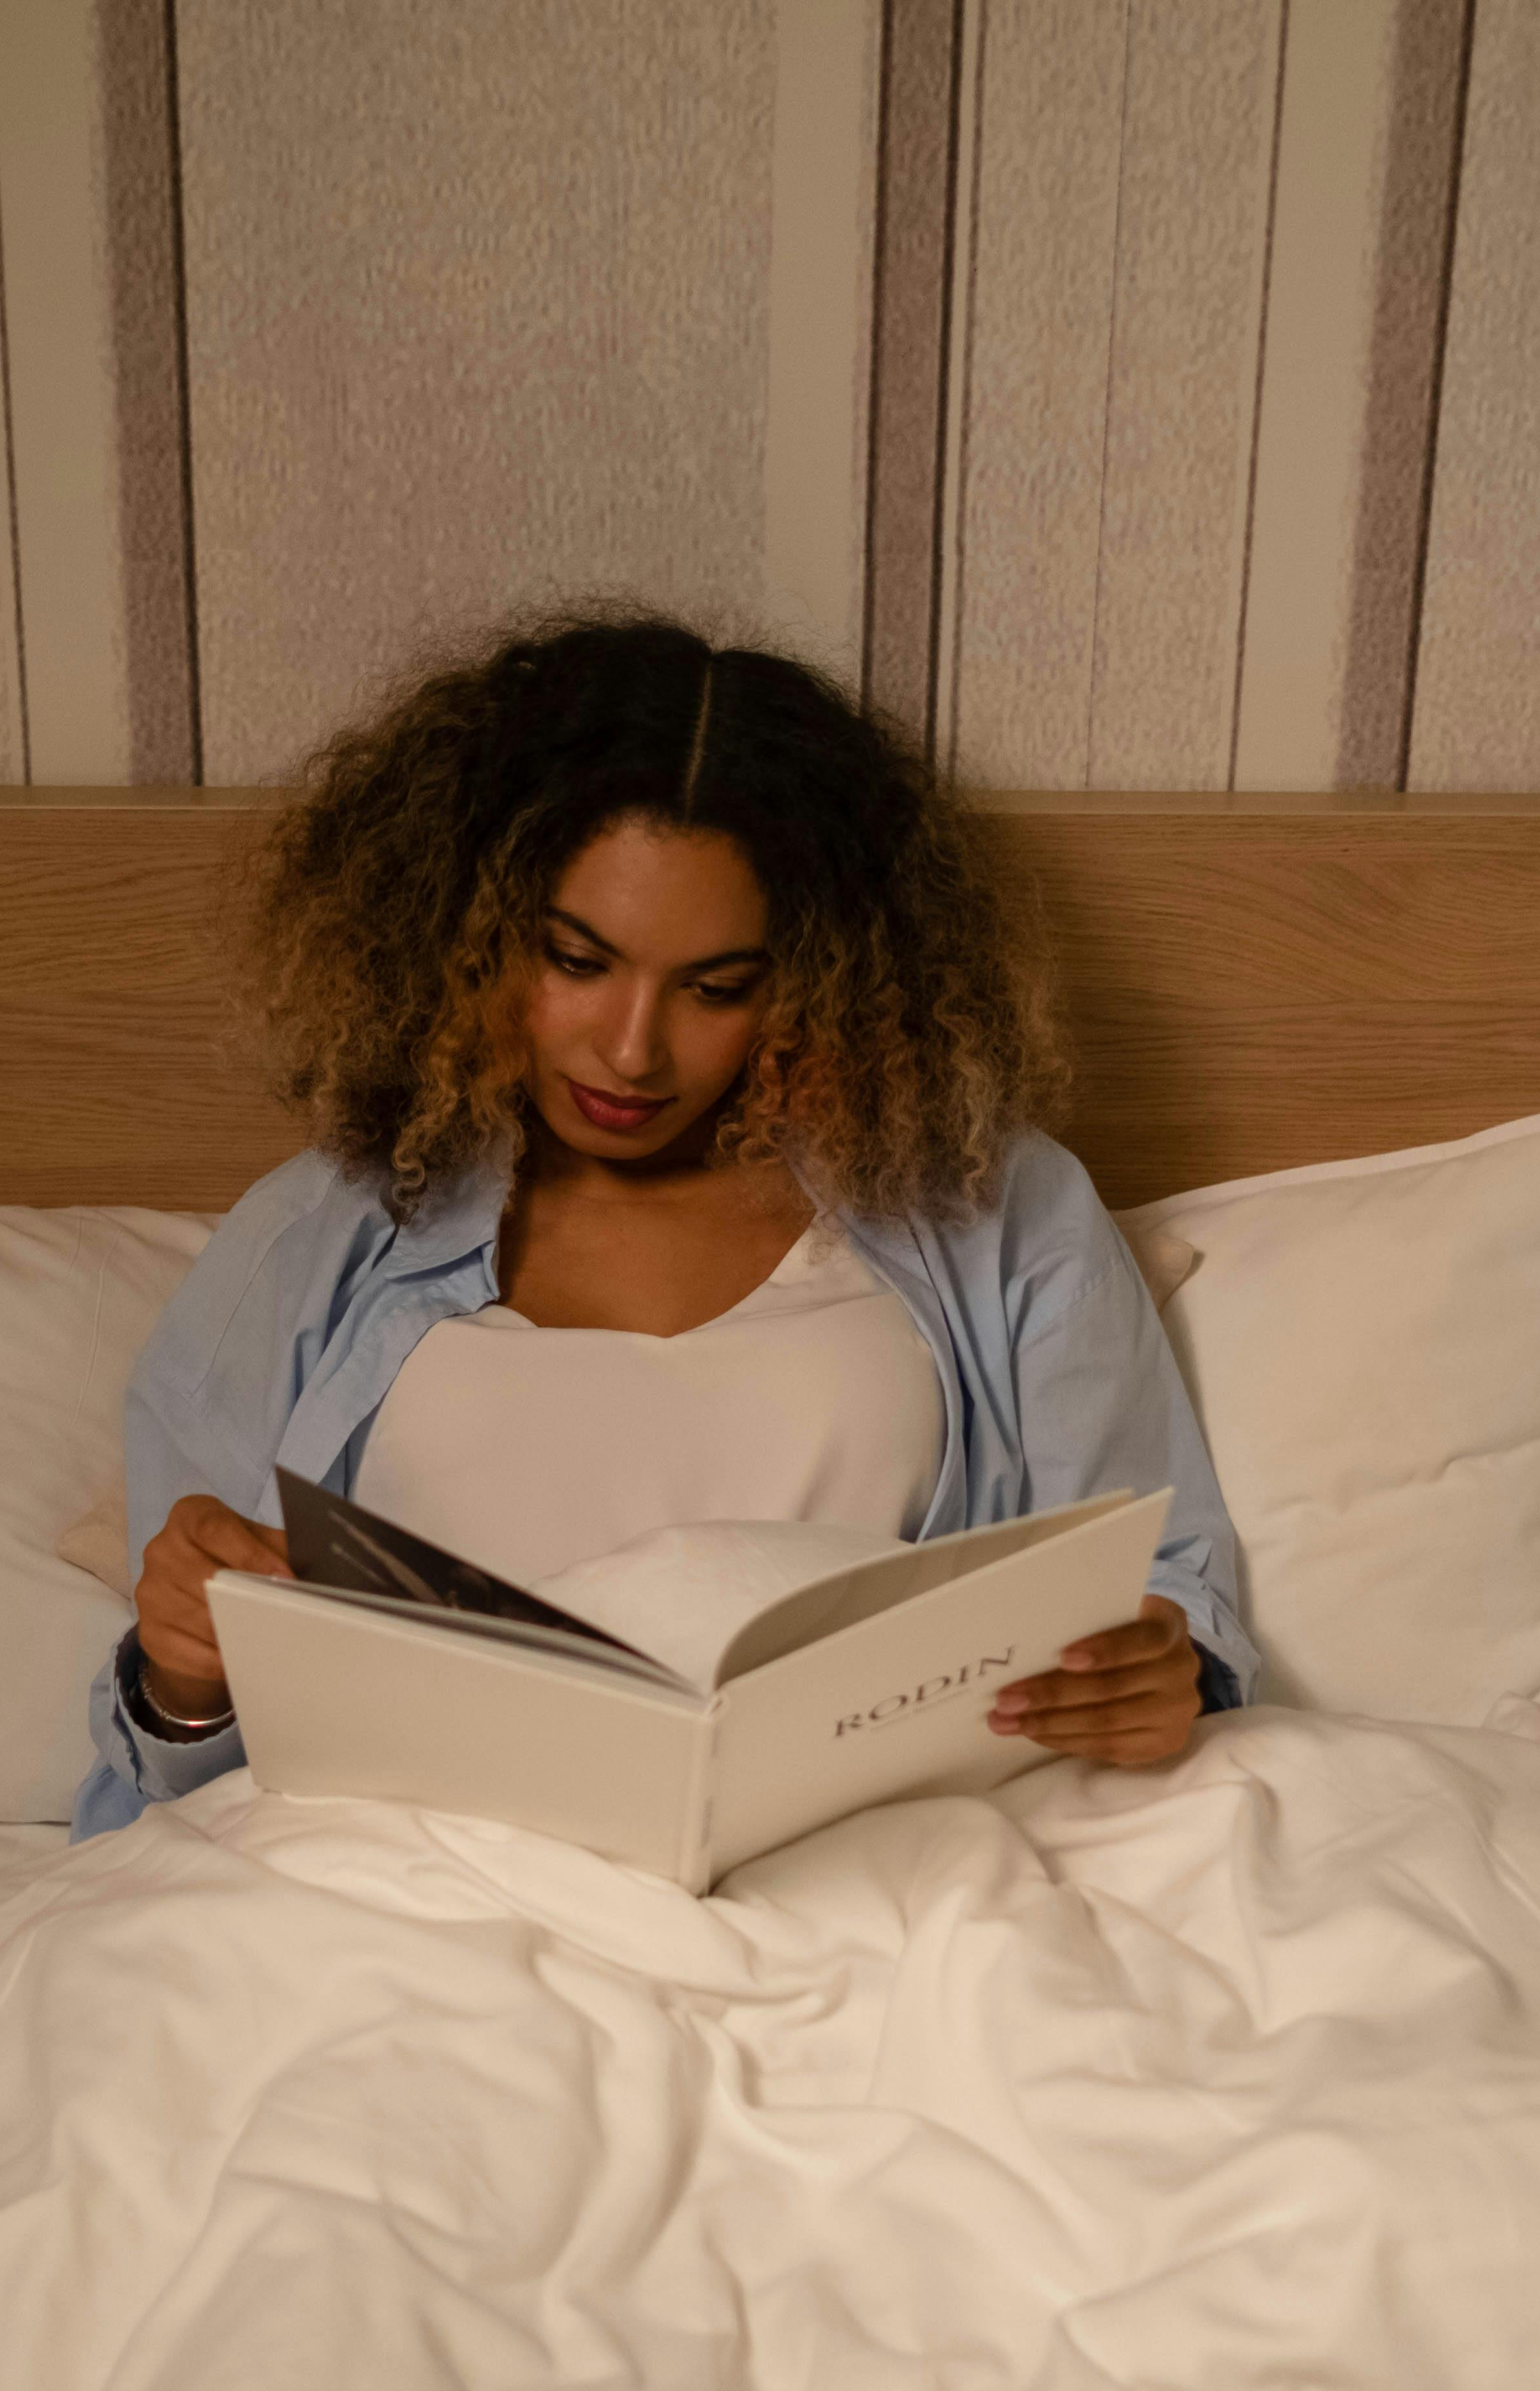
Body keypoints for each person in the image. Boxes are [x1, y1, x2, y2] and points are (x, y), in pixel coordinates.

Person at [75, 609, 1251, 1839]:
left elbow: (1162, 1589)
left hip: (866, 1872)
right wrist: (186, 1684)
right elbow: (169, 1763)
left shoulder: (993, 1207)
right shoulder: (322, 1234)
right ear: (466, 936)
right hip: (410, 1890)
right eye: (577, 962)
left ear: (818, 974)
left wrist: (1161, 1673)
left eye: (715, 988)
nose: (632, 1052)